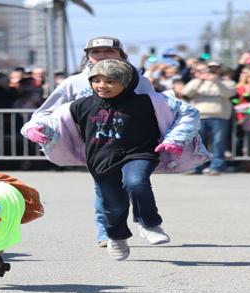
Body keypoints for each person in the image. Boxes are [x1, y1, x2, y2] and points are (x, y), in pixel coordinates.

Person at [32, 59, 206, 260]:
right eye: (96, 80)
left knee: (136, 182)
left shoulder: (150, 102)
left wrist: (175, 138)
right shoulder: (80, 105)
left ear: (127, 82)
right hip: (101, 160)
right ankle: (117, 237)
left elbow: (189, 113)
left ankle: (149, 224)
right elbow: (49, 121)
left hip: (140, 153)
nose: (101, 85)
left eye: (110, 81)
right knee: (114, 205)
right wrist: (36, 130)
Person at [22, 36, 156, 247]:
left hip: (134, 145)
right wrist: (34, 127)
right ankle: (107, 232)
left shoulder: (140, 81)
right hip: (97, 146)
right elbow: (46, 111)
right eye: (96, 52)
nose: (102, 56)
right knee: (104, 190)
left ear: (122, 55)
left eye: (109, 52)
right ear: (87, 57)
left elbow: (158, 110)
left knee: (136, 183)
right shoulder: (73, 82)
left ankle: (144, 221)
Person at [184, 61, 236, 175]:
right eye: (210, 68)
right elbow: (186, 92)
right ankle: (196, 167)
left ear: (220, 69)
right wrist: (199, 79)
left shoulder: (228, 82)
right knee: (198, 143)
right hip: (199, 116)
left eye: (215, 68)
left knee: (218, 142)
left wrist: (216, 81)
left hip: (219, 116)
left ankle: (216, 166)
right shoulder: (197, 82)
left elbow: (228, 94)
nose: (213, 70)